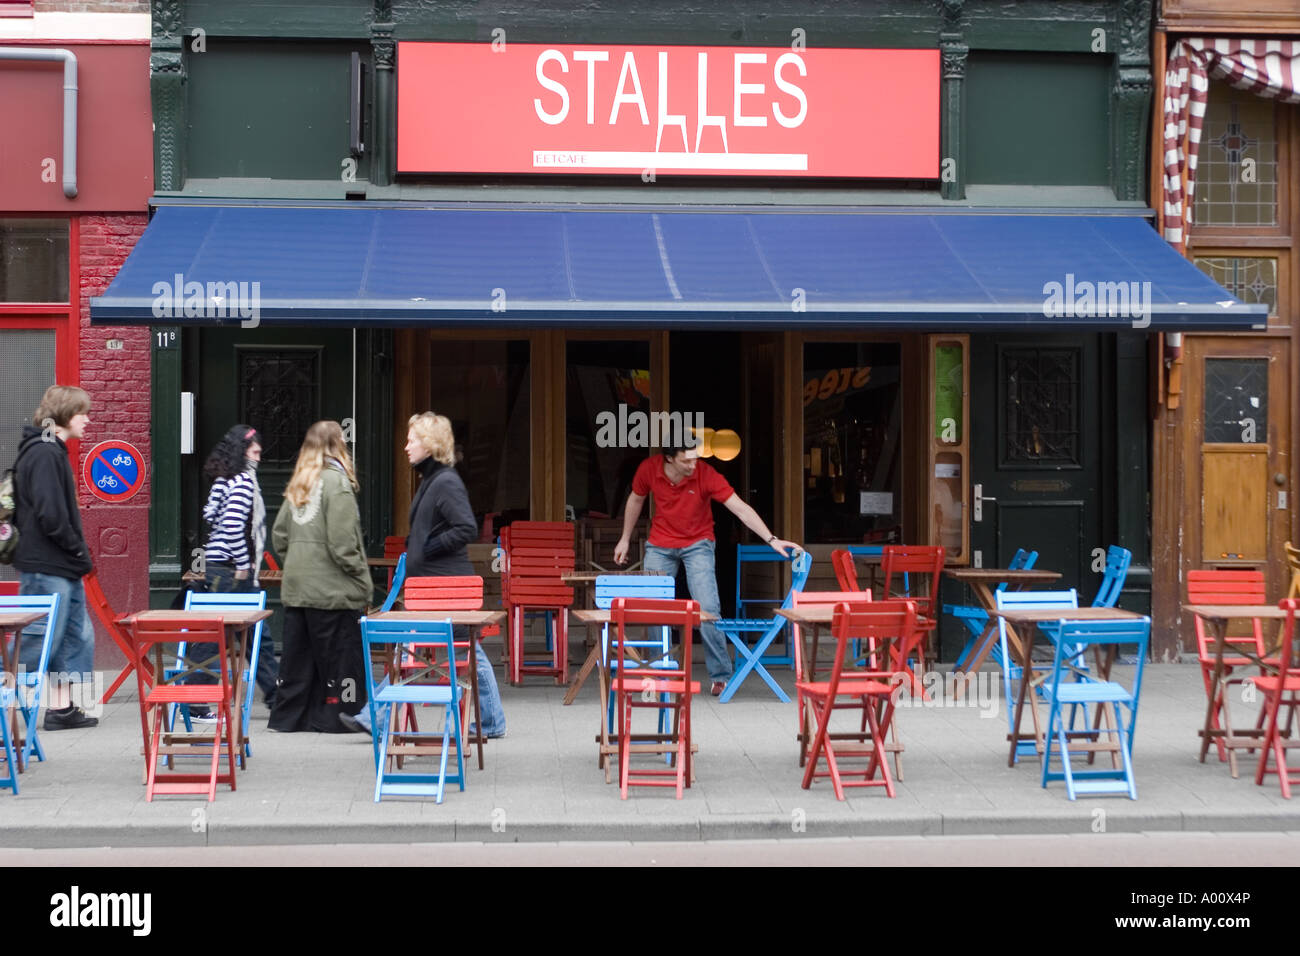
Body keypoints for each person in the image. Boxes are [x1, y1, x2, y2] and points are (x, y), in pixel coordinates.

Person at [339, 412, 507, 738]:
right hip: (434, 587)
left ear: (429, 445)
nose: (406, 446)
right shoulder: (434, 480)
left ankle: (377, 715)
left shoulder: (445, 481)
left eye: (412, 439)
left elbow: (466, 528)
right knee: (434, 649)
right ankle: (378, 716)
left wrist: (425, 549)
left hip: (445, 588)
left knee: (453, 650)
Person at [613, 443, 801, 696]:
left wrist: (772, 539)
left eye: (695, 459)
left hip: (698, 544)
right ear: (669, 459)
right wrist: (625, 538)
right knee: (653, 606)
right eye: (687, 460)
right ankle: (657, 671)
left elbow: (740, 508)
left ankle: (721, 675)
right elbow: (636, 499)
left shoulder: (706, 473)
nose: (694, 465)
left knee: (708, 607)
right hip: (660, 544)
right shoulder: (649, 469)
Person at [269, 421, 371, 733]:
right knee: (343, 660)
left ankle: (288, 718)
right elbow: (343, 544)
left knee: (298, 659)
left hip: (298, 587)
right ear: (338, 445)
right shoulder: (336, 483)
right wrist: (361, 577)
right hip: (333, 591)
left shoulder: (301, 482)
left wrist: (299, 564)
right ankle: (340, 715)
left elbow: (279, 535)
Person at [12, 385, 98, 729]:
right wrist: (77, 548)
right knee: (36, 643)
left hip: (61, 565)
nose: (87, 420)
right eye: (82, 413)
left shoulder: (50, 450)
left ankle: (61, 710)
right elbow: (51, 515)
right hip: (47, 565)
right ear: (64, 415)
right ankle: (8, 704)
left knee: (72, 637)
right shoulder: (45, 453)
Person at [186, 425, 278, 720]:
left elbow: (211, 514)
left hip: (214, 567)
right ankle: (198, 701)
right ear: (242, 452)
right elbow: (234, 525)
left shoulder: (223, 479)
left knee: (237, 635)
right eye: (254, 452)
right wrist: (242, 564)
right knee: (233, 637)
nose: (259, 458)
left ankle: (277, 695)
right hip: (230, 570)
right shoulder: (242, 482)